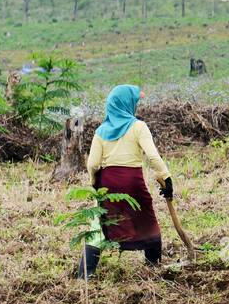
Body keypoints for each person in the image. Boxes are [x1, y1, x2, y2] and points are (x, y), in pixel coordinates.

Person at [73, 85, 174, 278]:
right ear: (128, 104)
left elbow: (92, 164)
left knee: (100, 224)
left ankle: (84, 276)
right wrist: (166, 178)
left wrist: (95, 182)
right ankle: (153, 269)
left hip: (108, 184)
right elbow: (153, 157)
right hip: (134, 182)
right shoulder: (139, 127)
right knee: (147, 219)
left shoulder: (101, 131)